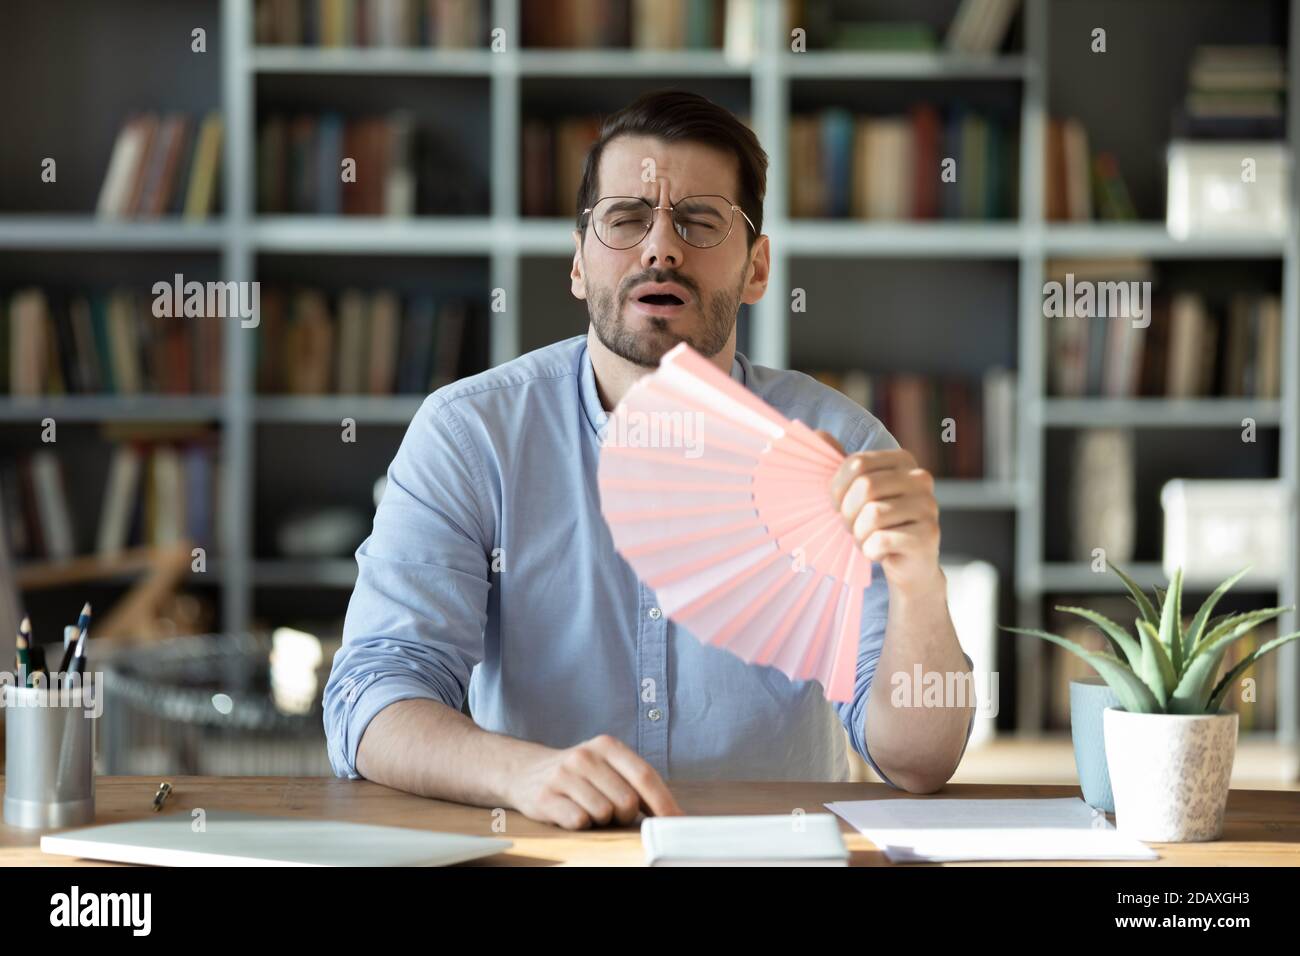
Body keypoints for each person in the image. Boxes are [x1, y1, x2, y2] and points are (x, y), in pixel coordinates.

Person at [323, 89, 975, 830]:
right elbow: (370, 699)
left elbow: (920, 761)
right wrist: (523, 774)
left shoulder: (843, 445)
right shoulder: (470, 437)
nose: (660, 246)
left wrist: (920, 580)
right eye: (627, 218)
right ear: (578, 263)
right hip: (548, 850)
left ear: (757, 269)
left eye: (699, 220)